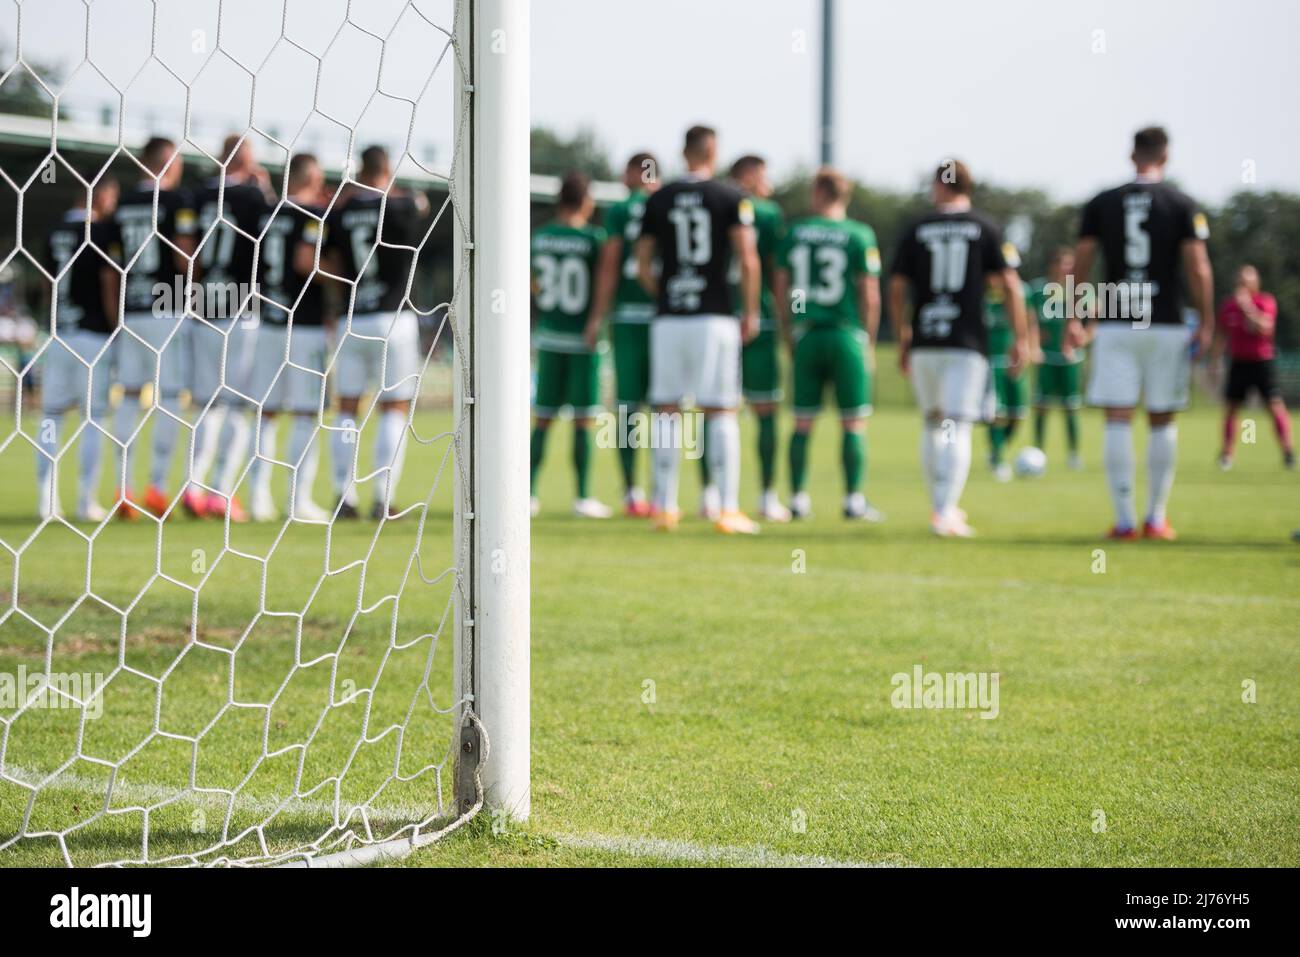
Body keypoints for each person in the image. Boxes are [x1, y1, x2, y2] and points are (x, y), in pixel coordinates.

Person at [1068, 127, 1214, 540]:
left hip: (1116, 320)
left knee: (1117, 415)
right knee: (1161, 417)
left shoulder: (1103, 201)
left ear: (1132, 155)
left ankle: (1124, 521)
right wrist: (1206, 320)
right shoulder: (1182, 203)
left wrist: (1074, 315)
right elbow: (1198, 267)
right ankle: (1156, 518)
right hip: (1165, 319)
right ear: (1165, 157)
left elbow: (1081, 261)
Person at [888, 160, 1028, 537]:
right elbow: (1011, 286)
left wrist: (903, 332)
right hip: (966, 342)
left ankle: (940, 504)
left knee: (934, 423)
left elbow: (898, 287)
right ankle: (944, 510)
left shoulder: (917, 228)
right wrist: (1022, 337)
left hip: (925, 339)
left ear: (941, 184)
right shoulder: (985, 227)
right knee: (956, 425)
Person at [636, 125, 761, 534]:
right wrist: (751, 310)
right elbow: (748, 259)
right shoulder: (731, 196)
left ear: (683, 151)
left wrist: (668, 293)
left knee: (667, 410)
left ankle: (665, 506)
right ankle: (726, 509)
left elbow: (642, 265)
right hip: (714, 315)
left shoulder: (661, 198)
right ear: (713, 151)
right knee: (721, 409)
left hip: (670, 317)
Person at [772, 166, 884, 521]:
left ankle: (798, 499)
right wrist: (867, 339)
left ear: (820, 192)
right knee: (852, 422)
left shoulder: (795, 233)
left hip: (807, 334)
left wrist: (789, 330)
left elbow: (782, 288)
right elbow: (870, 294)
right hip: (846, 333)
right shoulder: (859, 234)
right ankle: (853, 501)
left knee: (802, 421)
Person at [324, 145, 427, 520]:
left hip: (354, 317)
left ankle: (343, 493)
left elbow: (327, 261)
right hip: (395, 317)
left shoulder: (341, 212)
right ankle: (383, 497)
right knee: (394, 407)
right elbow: (421, 206)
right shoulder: (401, 205)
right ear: (388, 169)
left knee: (347, 407)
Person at [101, 136, 197, 520]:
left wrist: (116, 319)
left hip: (132, 311)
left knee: (127, 396)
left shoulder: (122, 205)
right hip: (168, 306)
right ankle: (157, 487)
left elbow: (110, 270)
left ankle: (123, 487)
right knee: (170, 398)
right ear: (171, 164)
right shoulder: (178, 202)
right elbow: (183, 257)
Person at [188, 134, 274, 521]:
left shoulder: (197, 196)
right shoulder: (253, 198)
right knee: (238, 404)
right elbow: (275, 237)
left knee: (207, 402)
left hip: (203, 305)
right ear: (244, 161)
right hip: (242, 308)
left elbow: (185, 251)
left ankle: (192, 487)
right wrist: (267, 190)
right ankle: (222, 491)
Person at [252, 152, 333, 521]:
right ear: (308, 177)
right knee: (305, 413)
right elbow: (305, 262)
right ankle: (296, 501)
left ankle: (257, 498)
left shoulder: (267, 215)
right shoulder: (311, 214)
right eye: (317, 177)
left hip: (269, 320)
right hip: (304, 325)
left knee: (266, 413)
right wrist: (344, 279)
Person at [35, 177, 120, 521]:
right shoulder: (100, 234)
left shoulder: (53, 231)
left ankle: (46, 500)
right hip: (93, 338)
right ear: (99, 197)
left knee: (51, 417)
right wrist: (117, 328)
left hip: (59, 334)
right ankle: (87, 500)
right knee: (93, 420)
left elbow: (45, 284)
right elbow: (109, 284)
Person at [529, 172, 612, 518]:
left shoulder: (540, 237)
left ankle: (528, 494)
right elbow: (604, 282)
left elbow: (532, 283)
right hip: (583, 340)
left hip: (548, 336)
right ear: (586, 201)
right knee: (583, 420)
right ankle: (582, 497)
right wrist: (595, 320)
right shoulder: (594, 237)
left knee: (543, 418)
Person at [585, 152, 660, 517]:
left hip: (629, 319)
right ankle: (669, 493)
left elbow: (610, 267)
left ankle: (632, 491)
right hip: (667, 318)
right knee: (671, 408)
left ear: (634, 172)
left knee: (628, 409)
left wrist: (597, 316)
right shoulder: (668, 201)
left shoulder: (619, 210)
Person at [728, 154, 790, 522]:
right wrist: (784, 316)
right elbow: (774, 270)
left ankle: (712, 496)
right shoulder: (766, 213)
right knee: (765, 409)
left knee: (714, 412)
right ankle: (767, 496)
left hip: (715, 315)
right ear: (749, 175)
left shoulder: (714, 200)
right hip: (758, 319)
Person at [1213, 265, 1293, 469]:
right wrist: (1215, 359)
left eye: (1246, 281)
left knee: (1274, 406)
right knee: (1231, 408)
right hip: (1239, 362)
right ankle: (1227, 455)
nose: (1243, 285)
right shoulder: (1228, 306)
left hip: (1261, 362)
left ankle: (1288, 452)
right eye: (1240, 281)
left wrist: (1247, 307)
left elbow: (1265, 328)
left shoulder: (1265, 302)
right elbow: (1221, 335)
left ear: (1256, 283)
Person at [983, 247, 1036, 482]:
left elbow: (1030, 322)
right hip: (989, 359)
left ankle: (998, 447)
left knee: (1018, 414)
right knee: (997, 412)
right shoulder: (980, 291)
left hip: (1014, 357)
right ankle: (998, 457)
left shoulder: (1022, 291)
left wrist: (1028, 348)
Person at [1031, 247, 1087, 469]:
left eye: (1070, 264)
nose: (1067, 269)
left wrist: (1084, 337)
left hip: (1070, 359)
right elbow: (1029, 318)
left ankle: (1073, 454)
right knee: (1042, 406)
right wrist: (1033, 343)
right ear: (1053, 265)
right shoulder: (1038, 290)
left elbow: (1094, 318)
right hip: (1045, 357)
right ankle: (1038, 453)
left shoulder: (1080, 290)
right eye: (1064, 263)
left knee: (1071, 407)